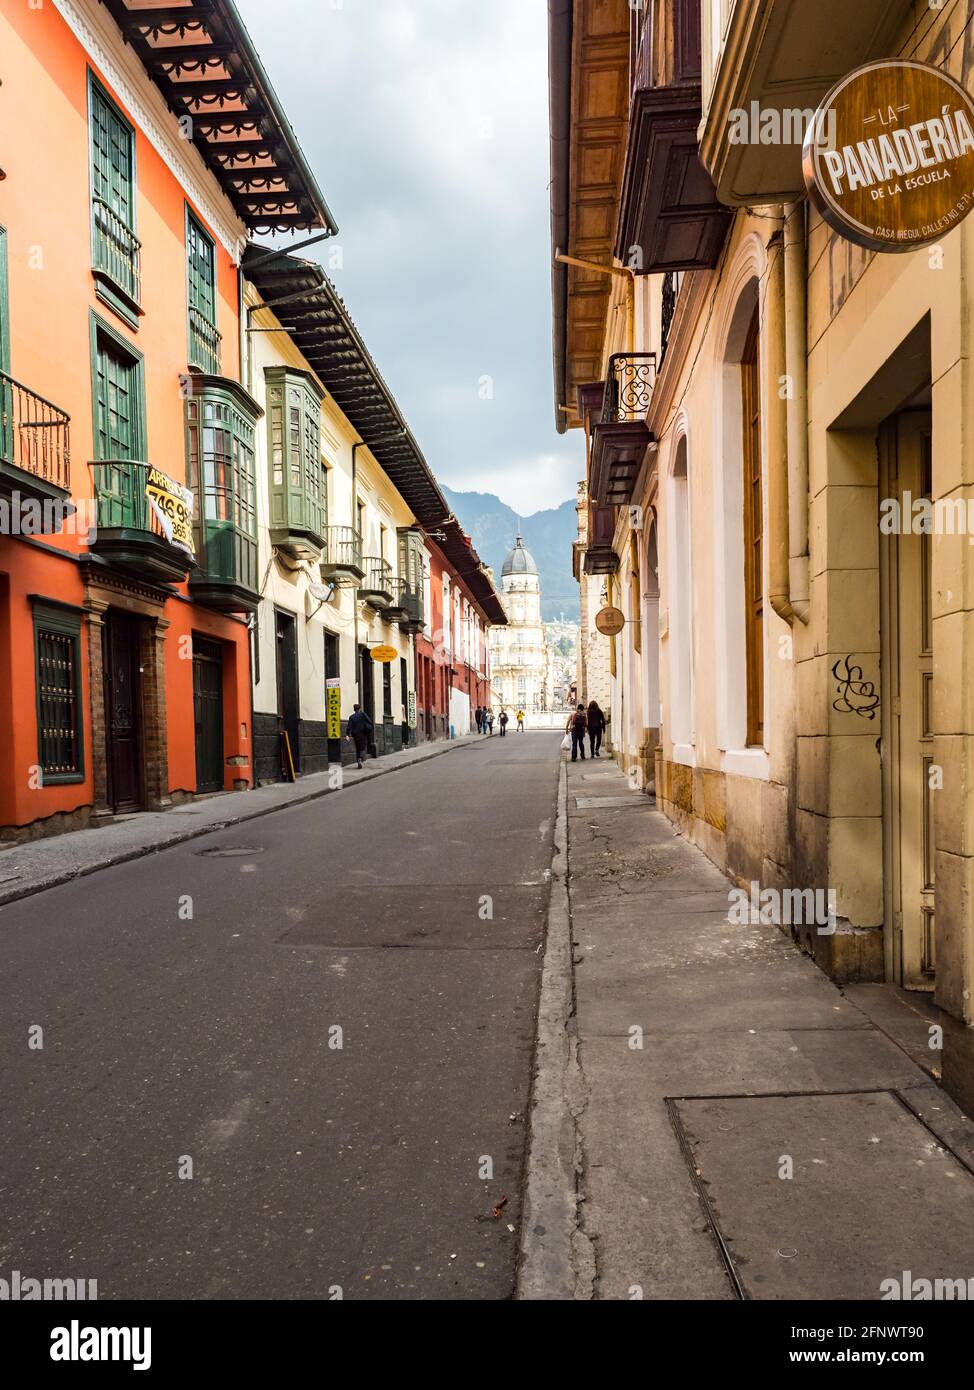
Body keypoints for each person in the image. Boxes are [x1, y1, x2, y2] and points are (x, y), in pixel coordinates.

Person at [346, 703, 373, 769]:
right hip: (363, 733)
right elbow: (369, 721)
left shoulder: (351, 717)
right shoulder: (363, 714)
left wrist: (347, 734)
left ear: (354, 709)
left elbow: (349, 726)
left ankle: (358, 760)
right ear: (360, 708)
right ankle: (360, 758)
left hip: (355, 734)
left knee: (358, 747)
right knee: (363, 747)